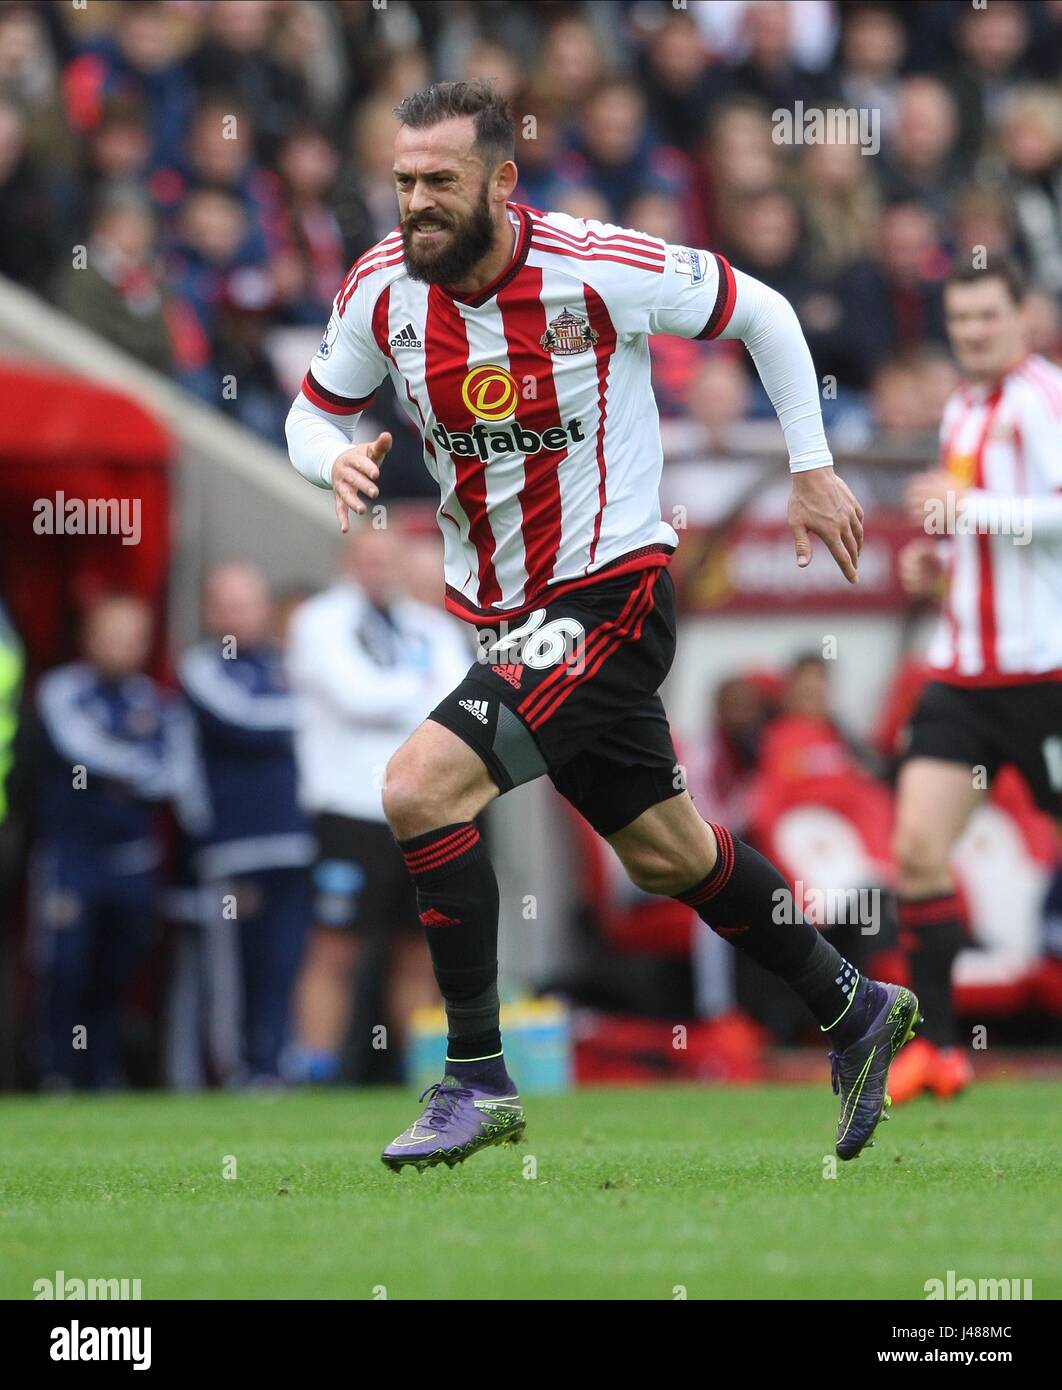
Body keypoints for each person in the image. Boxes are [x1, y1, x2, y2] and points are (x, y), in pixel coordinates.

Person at [286, 80, 917, 1169]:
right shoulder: (382, 291)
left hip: (609, 593)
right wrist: (327, 457)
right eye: (401, 182)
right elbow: (310, 408)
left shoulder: (595, 264)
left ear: (500, 180)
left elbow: (761, 309)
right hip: (500, 620)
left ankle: (477, 1078)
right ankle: (853, 1006)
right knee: (668, 853)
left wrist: (810, 466)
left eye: (440, 181)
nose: (416, 203)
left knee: (419, 786)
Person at [891, 257, 1062, 1104]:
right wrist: (940, 558)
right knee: (918, 847)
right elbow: (974, 532)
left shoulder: (1043, 399)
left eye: (988, 318)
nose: (973, 333)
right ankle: (941, 1049)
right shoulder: (961, 406)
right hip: (963, 674)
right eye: (960, 321)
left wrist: (974, 516)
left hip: (1047, 674)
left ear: (1024, 317)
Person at [286, 524, 469, 1084]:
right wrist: (417, 690)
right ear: (348, 560)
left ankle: (420, 1077)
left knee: (417, 948)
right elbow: (354, 695)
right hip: (348, 809)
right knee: (334, 946)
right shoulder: (318, 620)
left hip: (420, 810)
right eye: (368, 559)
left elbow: (461, 696)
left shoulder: (428, 625)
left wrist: (408, 691)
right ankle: (313, 1071)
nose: (379, 570)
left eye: (389, 560)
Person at [29, 595, 183, 1089]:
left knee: (120, 969)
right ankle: (57, 1073)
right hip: (72, 858)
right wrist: (136, 768)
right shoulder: (62, 690)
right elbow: (82, 747)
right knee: (65, 966)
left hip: (132, 860)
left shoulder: (152, 700)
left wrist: (133, 774)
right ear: (89, 638)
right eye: (112, 635)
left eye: (133, 638)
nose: (123, 647)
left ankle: (104, 1072)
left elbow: (175, 772)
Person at [175, 562, 312, 1086]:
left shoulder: (285, 665)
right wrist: (312, 710)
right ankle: (234, 1073)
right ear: (210, 611)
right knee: (232, 973)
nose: (238, 615)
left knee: (283, 964)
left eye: (247, 604)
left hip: (293, 843)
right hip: (233, 848)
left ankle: (274, 1068)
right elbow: (245, 720)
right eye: (227, 604)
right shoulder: (202, 667)